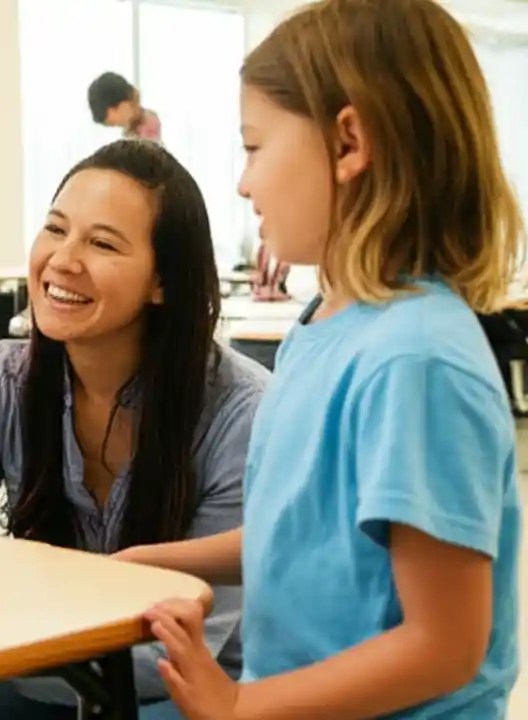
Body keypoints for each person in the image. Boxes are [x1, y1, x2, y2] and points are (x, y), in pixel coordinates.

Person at [123, 1, 525, 717]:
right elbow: (304, 533)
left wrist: (241, 706)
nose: (244, 183)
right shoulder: (322, 327)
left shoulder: (417, 359)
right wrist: (150, 562)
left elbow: (446, 644)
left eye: (253, 147)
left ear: (348, 144)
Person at [0, 140, 270, 719]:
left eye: (103, 243)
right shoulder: (9, 379)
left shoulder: (239, 409)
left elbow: (189, 644)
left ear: (163, 280)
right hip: (51, 670)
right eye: (55, 229)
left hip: (186, 695)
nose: (63, 259)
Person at [88, 72, 161, 142]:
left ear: (121, 105)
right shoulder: (131, 129)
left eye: (113, 123)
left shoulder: (148, 124)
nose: (117, 125)